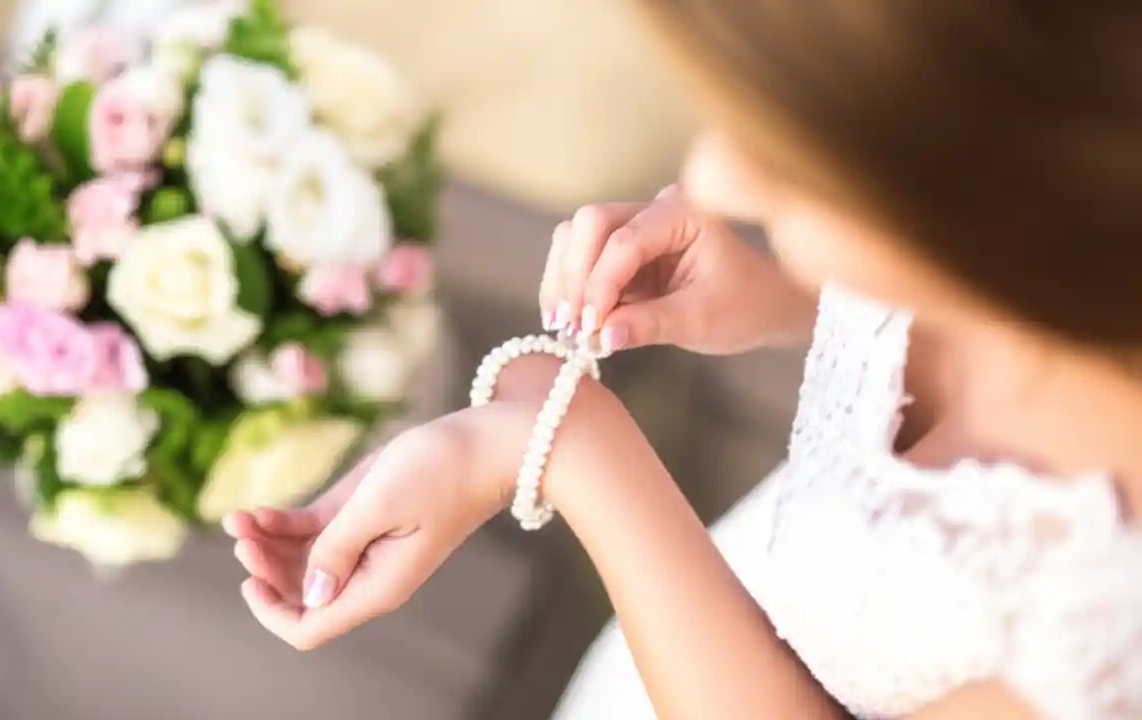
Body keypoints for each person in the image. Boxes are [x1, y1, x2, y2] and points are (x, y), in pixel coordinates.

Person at [224, 2, 1142, 717]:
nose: (713, 184)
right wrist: (791, 294)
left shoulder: (1111, 614)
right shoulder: (1064, 220)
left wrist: (573, 451)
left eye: (788, 158)